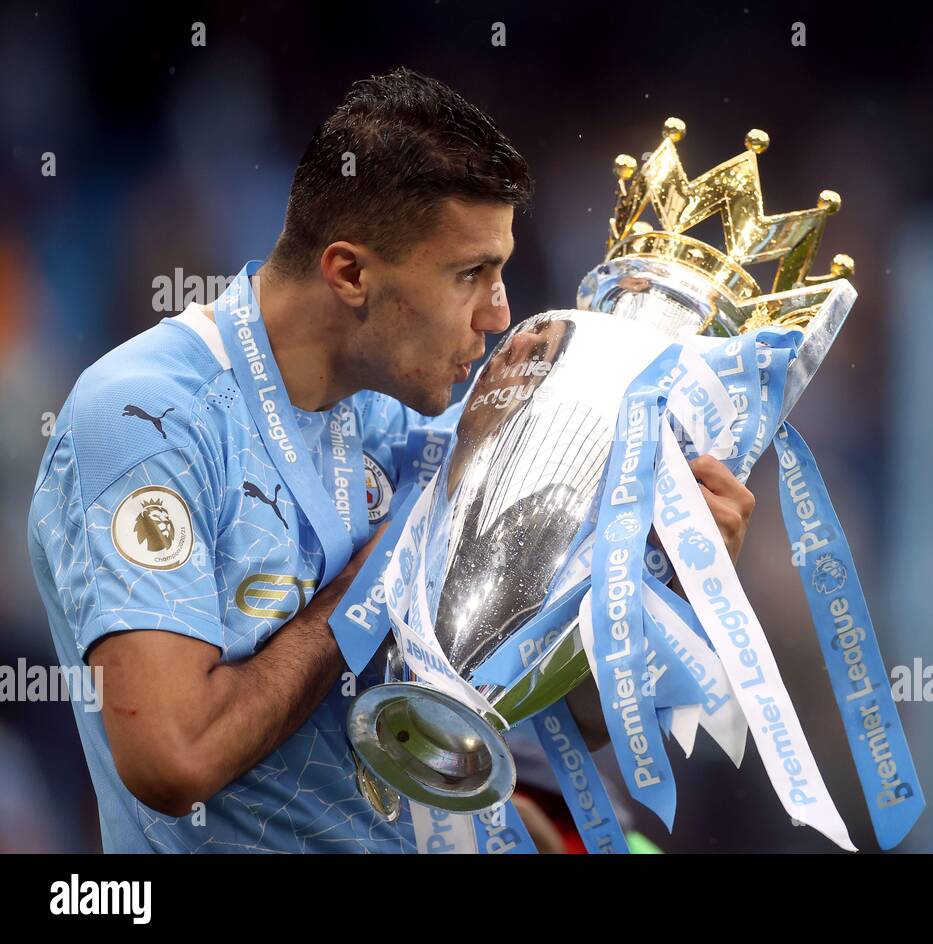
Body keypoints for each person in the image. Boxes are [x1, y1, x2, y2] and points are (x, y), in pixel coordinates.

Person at [26, 67, 754, 853]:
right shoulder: (145, 420)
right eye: (469, 273)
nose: (500, 312)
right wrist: (366, 591)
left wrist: (657, 583)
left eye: (502, 269)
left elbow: (548, 727)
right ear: (349, 273)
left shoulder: (419, 416)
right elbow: (174, 759)